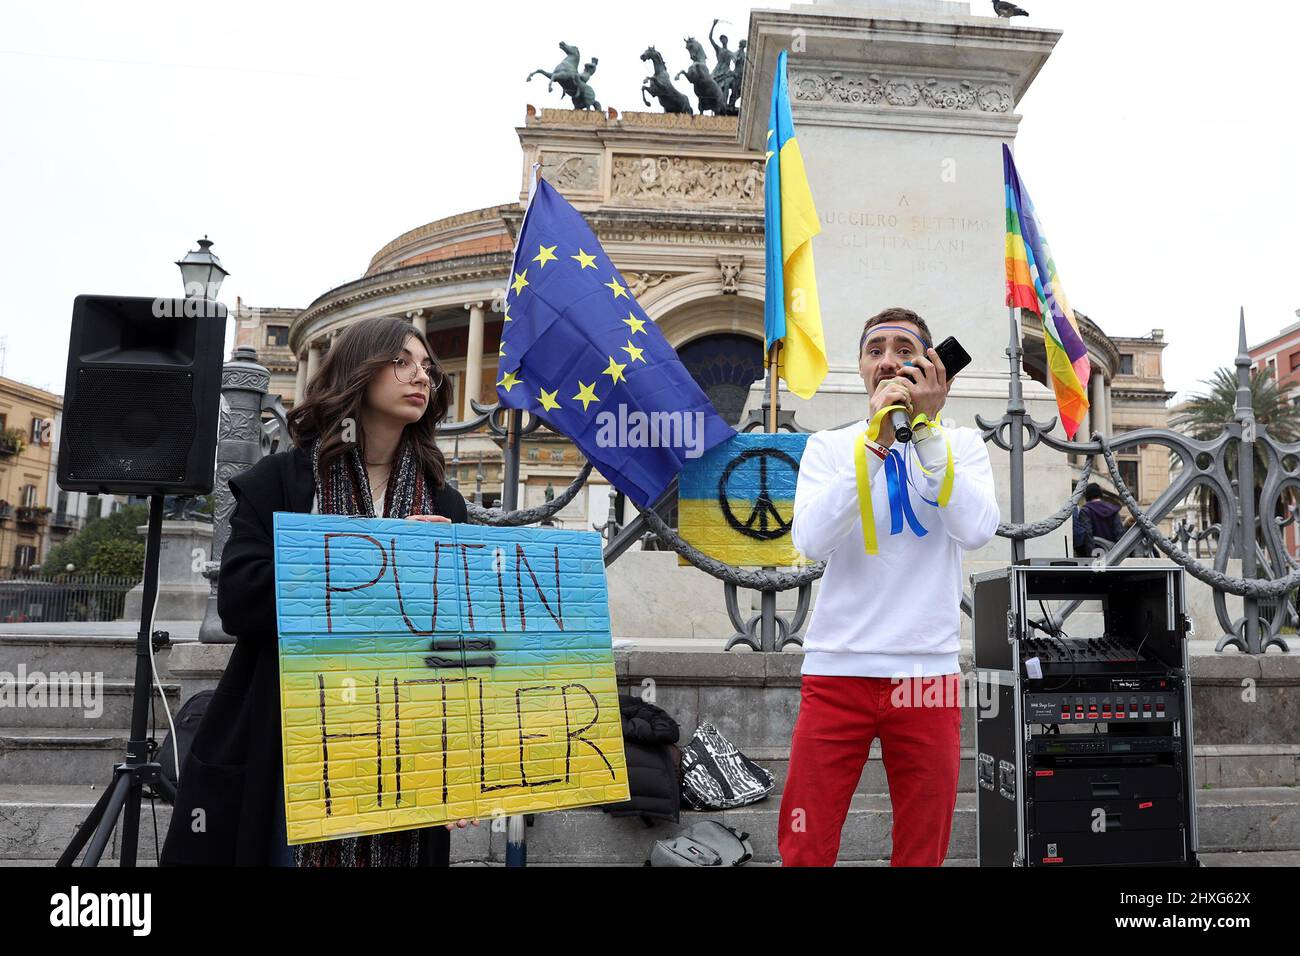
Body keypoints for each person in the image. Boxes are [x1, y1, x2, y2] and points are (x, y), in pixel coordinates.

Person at [161, 316, 473, 866]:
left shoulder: (443, 504)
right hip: (290, 733)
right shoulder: (282, 481)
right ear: (358, 371)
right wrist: (379, 555)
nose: (420, 376)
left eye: (426, 367)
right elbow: (239, 601)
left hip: (406, 738)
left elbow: (453, 642)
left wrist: (466, 753)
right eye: (401, 362)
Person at [779, 307, 1001, 866]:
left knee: (922, 845)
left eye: (905, 350)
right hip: (838, 669)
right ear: (859, 367)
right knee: (805, 840)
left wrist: (925, 434)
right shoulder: (830, 448)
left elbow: (976, 529)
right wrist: (875, 446)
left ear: (932, 367)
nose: (889, 362)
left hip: (926, 674)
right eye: (875, 350)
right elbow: (810, 539)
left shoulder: (962, 445)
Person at [1078, 482, 1125, 553]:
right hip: (1113, 554)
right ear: (1100, 494)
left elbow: (1088, 535)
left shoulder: (1085, 511)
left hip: (1096, 555)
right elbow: (1119, 534)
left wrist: (1091, 555)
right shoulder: (1113, 510)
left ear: (1087, 496)